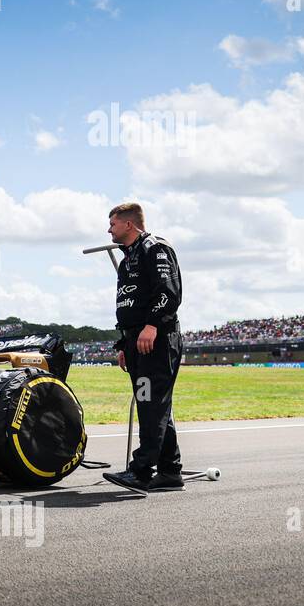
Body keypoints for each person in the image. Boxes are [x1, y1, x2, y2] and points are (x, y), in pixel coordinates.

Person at [104, 202, 185, 492]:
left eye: (112, 223)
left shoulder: (155, 248)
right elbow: (127, 306)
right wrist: (123, 343)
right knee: (153, 406)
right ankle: (170, 471)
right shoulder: (127, 260)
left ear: (128, 224)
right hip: (136, 341)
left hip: (157, 340)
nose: (108, 229)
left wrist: (152, 325)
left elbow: (168, 292)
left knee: (151, 405)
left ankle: (140, 471)